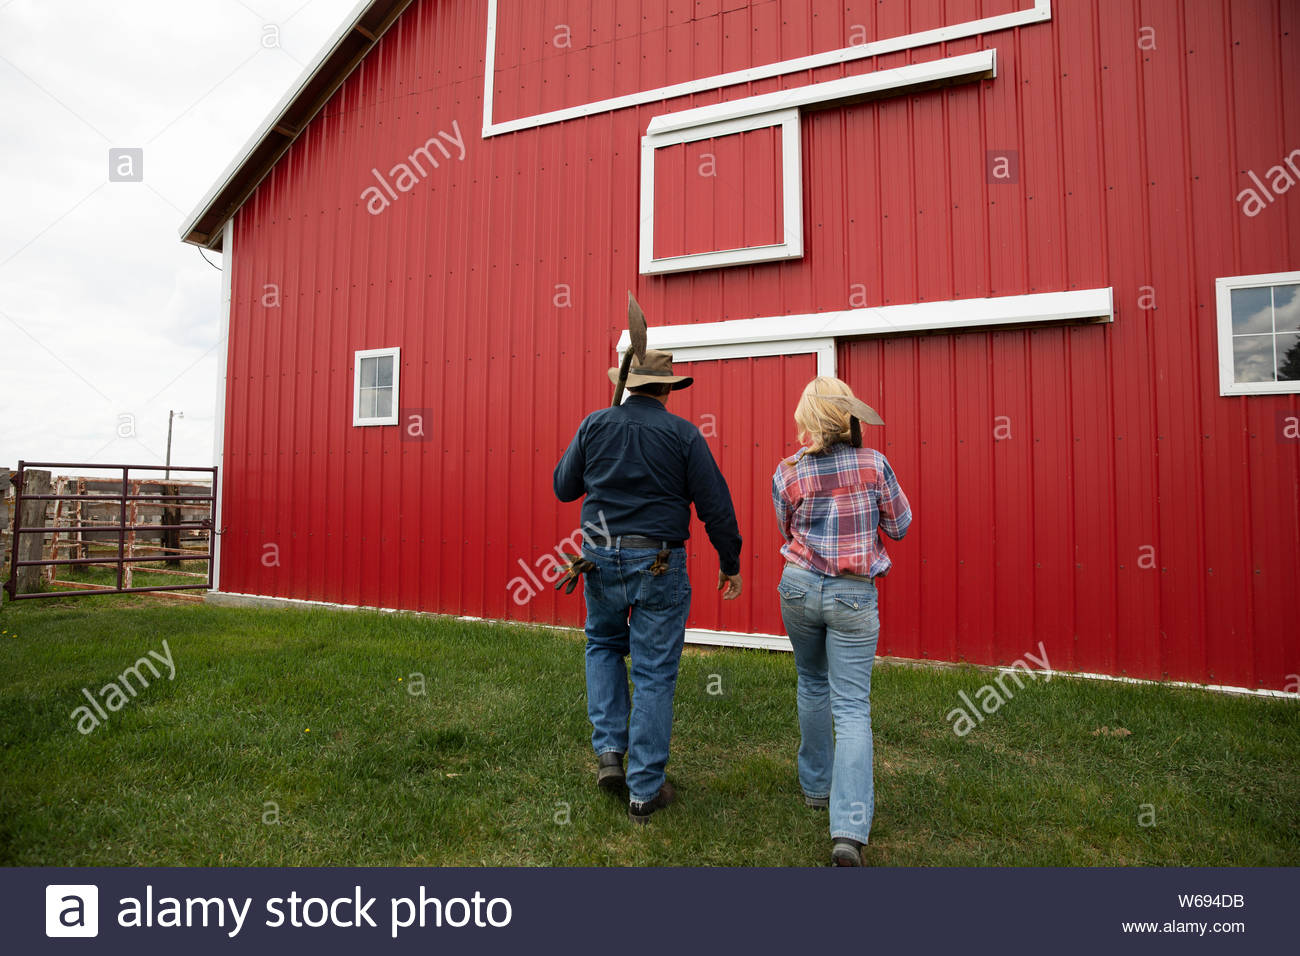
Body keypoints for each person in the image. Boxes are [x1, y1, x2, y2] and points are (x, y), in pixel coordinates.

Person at [554, 348, 744, 824]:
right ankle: (643, 789)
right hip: (658, 559)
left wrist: (598, 436)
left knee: (602, 645)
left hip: (598, 556)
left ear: (626, 384)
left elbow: (563, 486)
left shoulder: (595, 423)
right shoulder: (684, 435)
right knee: (654, 673)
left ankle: (609, 755)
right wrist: (730, 561)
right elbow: (715, 505)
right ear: (665, 389)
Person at [771, 376, 912, 865]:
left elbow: (786, 527)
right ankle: (848, 832)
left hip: (798, 586)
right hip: (854, 595)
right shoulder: (875, 465)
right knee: (852, 707)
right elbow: (899, 525)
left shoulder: (787, 471)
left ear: (808, 419)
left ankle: (815, 788)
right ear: (849, 416)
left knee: (811, 683)